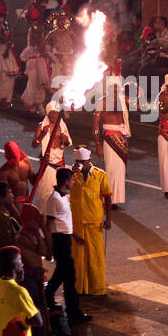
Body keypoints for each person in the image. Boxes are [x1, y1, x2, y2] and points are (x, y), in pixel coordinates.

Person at [43, 167, 87, 324]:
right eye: (72, 180)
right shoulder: (53, 198)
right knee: (69, 277)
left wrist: (74, 236)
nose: (74, 182)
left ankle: (47, 297)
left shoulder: (64, 197)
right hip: (59, 241)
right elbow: (49, 225)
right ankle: (74, 312)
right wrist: (49, 248)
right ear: (66, 181)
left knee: (61, 274)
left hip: (65, 239)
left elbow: (63, 221)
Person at [69, 148, 112, 297]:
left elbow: (107, 197)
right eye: (77, 161)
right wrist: (72, 174)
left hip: (94, 222)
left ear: (89, 161)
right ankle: (79, 288)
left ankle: (96, 288)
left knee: (95, 256)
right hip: (77, 222)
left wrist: (109, 218)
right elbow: (62, 187)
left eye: (82, 161)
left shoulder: (100, 175)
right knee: (77, 258)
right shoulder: (72, 175)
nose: (79, 164)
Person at [93, 69, 131, 210]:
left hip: (121, 138)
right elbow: (96, 125)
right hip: (109, 138)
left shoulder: (123, 101)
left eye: (117, 88)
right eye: (113, 88)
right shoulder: (101, 103)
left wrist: (140, 94)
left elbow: (141, 106)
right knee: (111, 170)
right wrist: (98, 144)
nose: (115, 91)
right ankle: (107, 200)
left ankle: (114, 201)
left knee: (120, 171)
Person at [31, 105, 72, 206]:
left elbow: (68, 144)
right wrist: (42, 135)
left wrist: (65, 140)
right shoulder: (42, 126)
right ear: (48, 113)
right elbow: (34, 144)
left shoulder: (62, 126)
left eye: (56, 113)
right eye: (52, 112)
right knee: (45, 193)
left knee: (58, 191)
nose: (54, 115)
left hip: (59, 163)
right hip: (47, 163)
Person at [0, 142, 34, 208]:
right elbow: (6, 196)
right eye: (9, 158)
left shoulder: (26, 163)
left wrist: (43, 167)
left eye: (14, 157)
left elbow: (34, 181)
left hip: (28, 200)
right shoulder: (4, 172)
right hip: (14, 204)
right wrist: (16, 214)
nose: (12, 160)